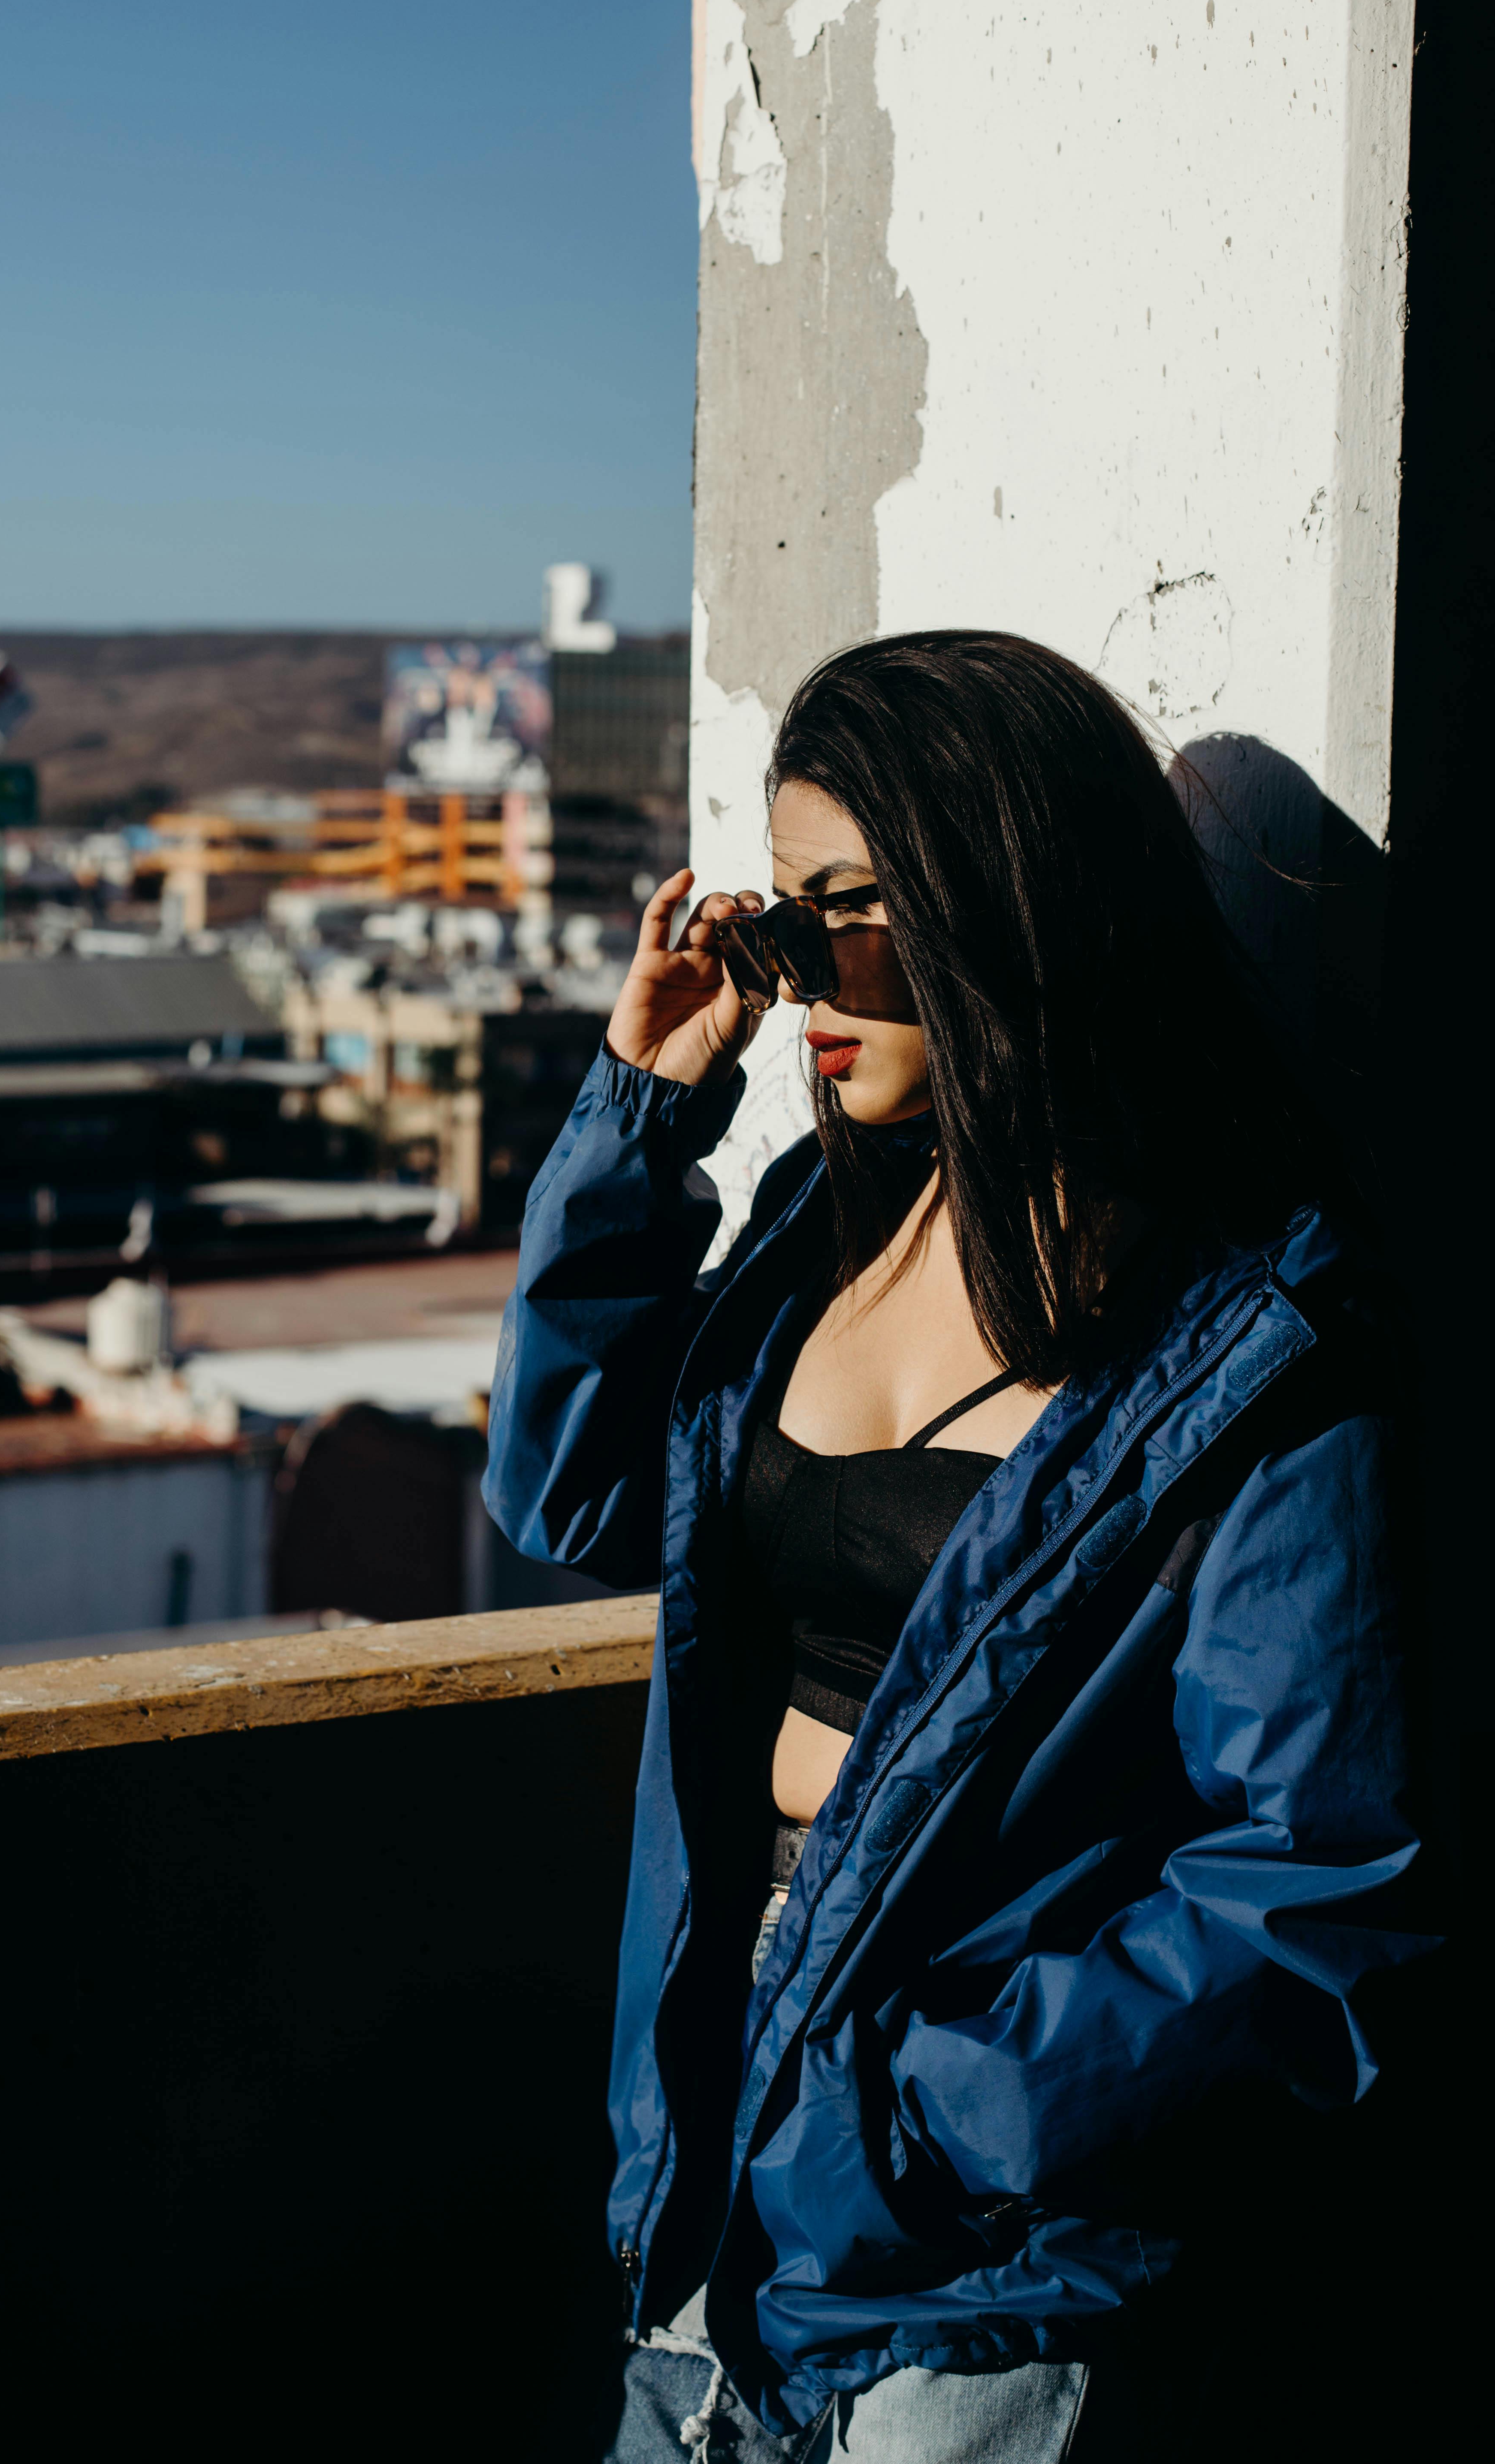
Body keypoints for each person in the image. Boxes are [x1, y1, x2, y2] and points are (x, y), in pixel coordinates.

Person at [482, 632, 1426, 2462]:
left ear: (1008, 906)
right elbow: (567, 1493)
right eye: (778, 917)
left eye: (852, 913)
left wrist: (928, 2110)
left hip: (979, 2266)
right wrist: (637, 1116)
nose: (797, 976)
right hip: (702, 2177)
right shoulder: (803, 1239)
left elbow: (1315, 1880)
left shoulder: (1246, 1359)